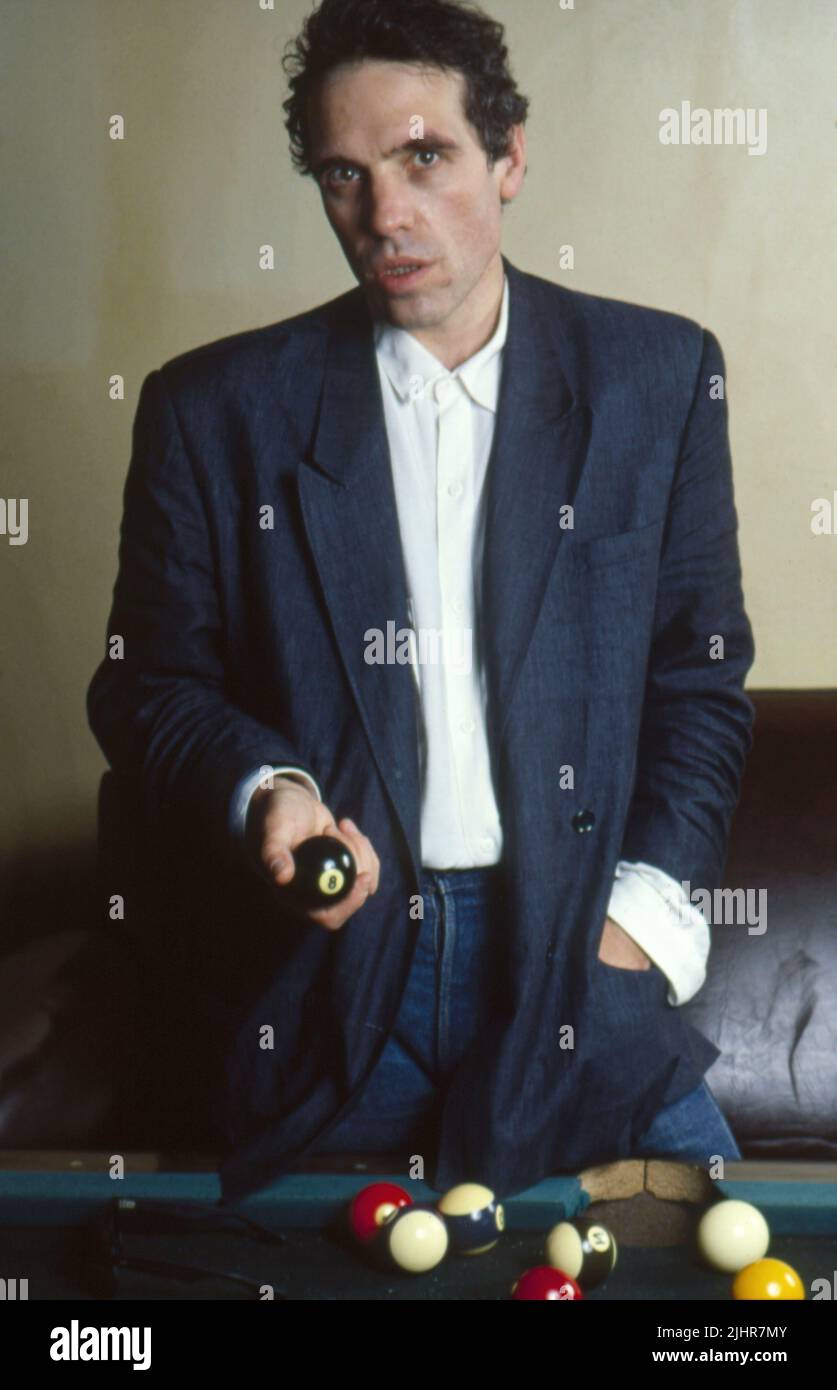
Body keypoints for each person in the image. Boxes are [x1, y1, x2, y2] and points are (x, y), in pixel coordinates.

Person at [87, 0, 754, 1204]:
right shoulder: (213, 410)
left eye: (424, 159)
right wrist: (267, 793)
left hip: (572, 971)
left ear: (508, 158)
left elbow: (698, 682)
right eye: (345, 176)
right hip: (332, 984)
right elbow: (149, 686)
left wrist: (630, 938)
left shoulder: (660, 378)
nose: (384, 218)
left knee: (743, 1287)